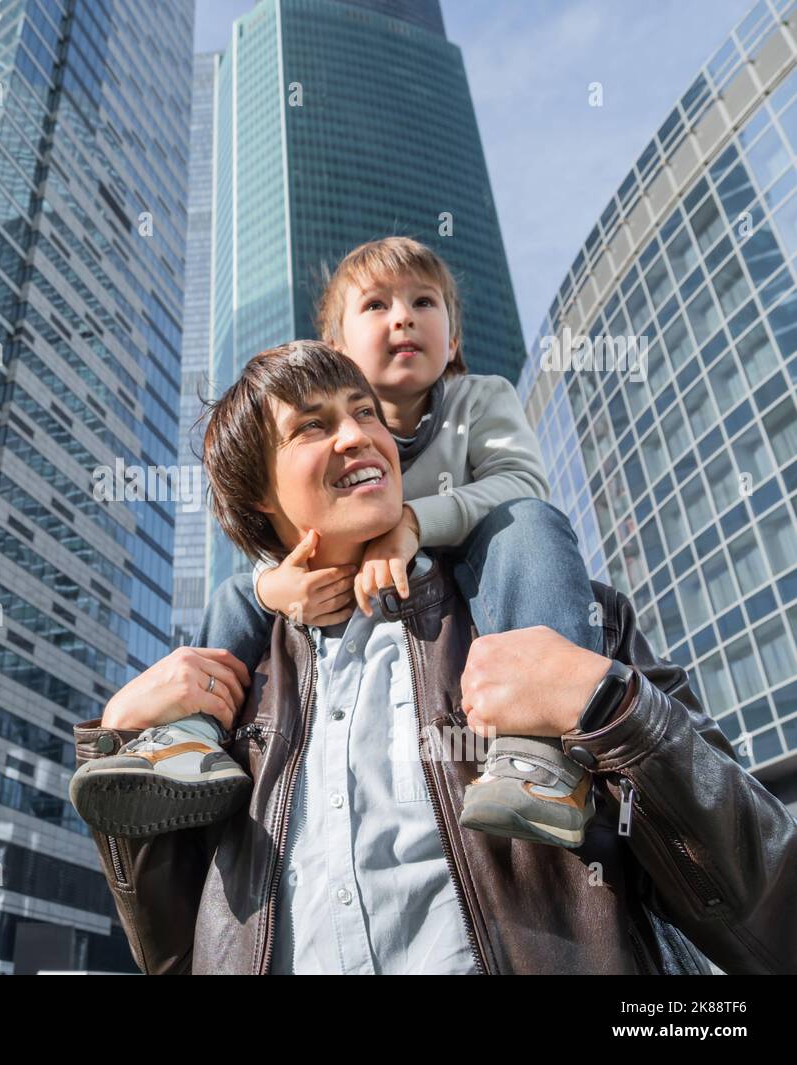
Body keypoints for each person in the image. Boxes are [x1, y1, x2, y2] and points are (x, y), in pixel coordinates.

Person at [68, 340, 797, 974]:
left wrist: (615, 713)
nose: (359, 437)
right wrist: (117, 742)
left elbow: (766, 908)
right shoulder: (234, 692)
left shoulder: (550, 616)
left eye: (365, 413)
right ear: (260, 495)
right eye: (312, 427)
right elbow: (171, 955)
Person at [71, 236, 602, 850]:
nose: (403, 316)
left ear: (453, 341)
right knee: (237, 593)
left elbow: (521, 483)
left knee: (528, 523)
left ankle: (545, 747)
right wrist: (278, 588)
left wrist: (410, 524)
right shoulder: (337, 441)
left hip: (473, 577)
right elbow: (285, 547)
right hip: (361, 592)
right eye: (376, 306)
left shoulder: (477, 400)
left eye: (424, 302)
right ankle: (189, 734)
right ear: (339, 351)